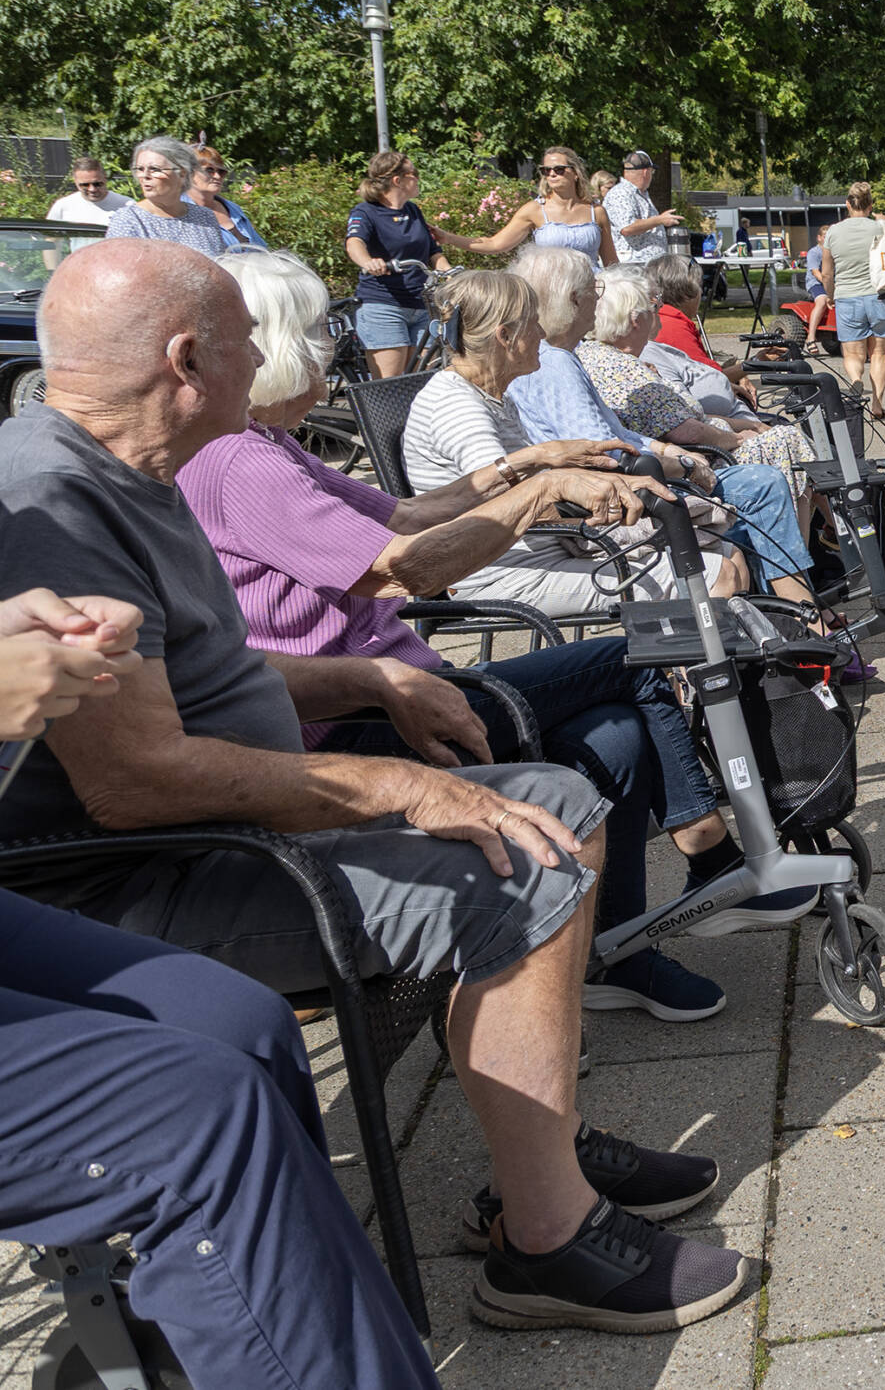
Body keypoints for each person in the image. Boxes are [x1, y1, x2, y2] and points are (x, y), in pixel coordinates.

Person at [0, 239, 751, 1332]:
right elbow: (137, 783)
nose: (266, 355)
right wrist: (399, 792)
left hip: (228, 825)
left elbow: (202, 675)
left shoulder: (122, 468)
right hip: (157, 873)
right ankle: (545, 1245)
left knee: (556, 801)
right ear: (186, 358)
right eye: (248, 339)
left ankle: (540, 1133)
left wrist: (365, 671)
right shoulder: (58, 505)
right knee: (530, 851)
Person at [176, 251, 807, 1022]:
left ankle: (615, 949)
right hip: (359, 721)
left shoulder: (265, 444)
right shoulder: (241, 461)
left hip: (404, 687)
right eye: (316, 328)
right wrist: (540, 489)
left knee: (613, 735)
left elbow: (403, 513)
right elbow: (403, 567)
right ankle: (709, 848)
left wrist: (532, 461)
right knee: (641, 650)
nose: (331, 343)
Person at [0, 586, 446, 1390]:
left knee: (237, 1022)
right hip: (131, 866)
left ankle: (255, 1332)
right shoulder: (55, 488)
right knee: (198, 1117)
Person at [405, 267, 754, 609]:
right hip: (504, 571)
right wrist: (602, 499)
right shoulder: (457, 407)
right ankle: (692, 666)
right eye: (533, 323)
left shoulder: (493, 394)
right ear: (505, 337)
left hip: (549, 548)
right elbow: (502, 504)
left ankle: (703, 661)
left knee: (728, 554)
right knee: (718, 572)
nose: (542, 333)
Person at [508, 247, 821, 608]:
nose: (598, 298)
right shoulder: (556, 363)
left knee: (765, 474)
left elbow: (618, 435)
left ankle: (794, 609)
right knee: (762, 482)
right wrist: (685, 460)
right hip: (615, 504)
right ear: (574, 300)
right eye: (593, 289)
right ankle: (802, 610)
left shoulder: (563, 355)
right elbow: (604, 452)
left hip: (631, 483)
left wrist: (669, 451)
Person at [581, 265, 815, 493]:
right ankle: (815, 530)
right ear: (636, 320)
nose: (659, 313)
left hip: (698, 451)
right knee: (787, 439)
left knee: (784, 438)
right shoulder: (628, 368)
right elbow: (685, 432)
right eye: (654, 308)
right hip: (703, 460)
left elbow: (678, 421)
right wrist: (736, 438)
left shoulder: (600, 355)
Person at [342, 149, 455, 378]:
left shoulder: (413, 211)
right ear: (398, 180)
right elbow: (354, 243)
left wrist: (451, 273)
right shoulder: (366, 212)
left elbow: (433, 253)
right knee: (390, 385)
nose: (418, 179)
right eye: (415, 173)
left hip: (421, 305)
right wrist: (368, 262)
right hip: (383, 306)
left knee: (425, 380)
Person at [445, 147, 619, 270]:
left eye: (559, 169)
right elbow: (495, 244)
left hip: (591, 292)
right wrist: (448, 238)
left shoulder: (596, 212)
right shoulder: (534, 210)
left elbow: (611, 263)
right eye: (546, 170)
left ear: (575, 173)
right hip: (551, 292)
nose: (551, 174)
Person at [810, 181, 885, 417]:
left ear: (847, 204)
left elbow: (827, 273)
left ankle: (857, 378)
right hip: (881, 296)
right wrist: (882, 219)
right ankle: (877, 403)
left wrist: (829, 296)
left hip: (848, 297)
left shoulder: (833, 232)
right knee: (879, 353)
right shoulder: (880, 227)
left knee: (852, 354)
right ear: (870, 205)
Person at [648, 255, 757, 417]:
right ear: (687, 291)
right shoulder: (673, 326)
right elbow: (714, 380)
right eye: (699, 286)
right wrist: (758, 362)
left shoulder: (661, 318)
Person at [103, 137, 230, 258]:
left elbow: (219, 267)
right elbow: (120, 274)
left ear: (182, 173)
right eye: (140, 169)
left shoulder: (205, 218)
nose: (145, 176)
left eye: (154, 169)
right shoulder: (129, 220)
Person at [604, 151, 683, 266]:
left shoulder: (640, 194)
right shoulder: (620, 193)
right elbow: (627, 228)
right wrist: (660, 220)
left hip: (646, 266)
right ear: (646, 172)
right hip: (632, 268)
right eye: (652, 171)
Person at [184, 146, 265, 250]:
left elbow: (260, 249)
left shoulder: (233, 209)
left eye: (221, 172)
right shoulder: (179, 211)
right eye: (209, 170)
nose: (217, 176)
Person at [45, 155, 129, 226]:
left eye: (97, 184)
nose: (92, 189)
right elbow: (50, 238)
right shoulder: (63, 206)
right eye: (85, 185)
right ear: (75, 182)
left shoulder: (127, 206)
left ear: (105, 178)